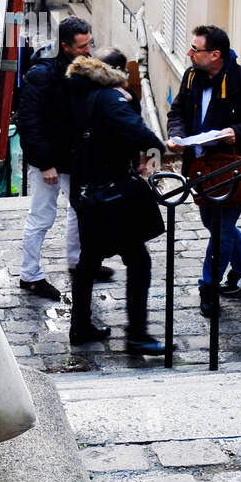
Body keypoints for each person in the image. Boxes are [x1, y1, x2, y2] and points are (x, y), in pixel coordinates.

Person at [167, 25, 241, 316]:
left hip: (234, 171)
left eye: (196, 49)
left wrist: (237, 133)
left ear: (215, 54)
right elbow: (177, 111)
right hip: (201, 167)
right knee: (214, 224)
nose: (189, 53)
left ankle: (208, 288)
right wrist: (176, 136)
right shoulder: (191, 76)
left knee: (220, 229)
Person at [67, 48, 166, 353]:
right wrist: (155, 150)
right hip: (110, 195)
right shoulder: (111, 99)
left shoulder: (77, 94)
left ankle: (80, 326)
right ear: (118, 74)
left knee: (88, 263)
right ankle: (136, 334)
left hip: (85, 190)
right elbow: (140, 134)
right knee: (138, 260)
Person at [16, 18, 114, 299]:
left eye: (89, 44)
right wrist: (46, 163)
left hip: (77, 158)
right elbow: (29, 122)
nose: (88, 49)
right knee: (41, 216)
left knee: (81, 212)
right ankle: (30, 275)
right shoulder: (41, 75)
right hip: (49, 160)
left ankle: (79, 263)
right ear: (65, 46)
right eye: (82, 46)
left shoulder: (86, 69)